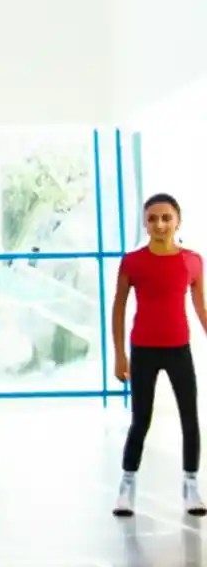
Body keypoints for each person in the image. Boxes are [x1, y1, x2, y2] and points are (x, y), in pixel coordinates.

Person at [112, 193, 207, 517]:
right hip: (144, 350)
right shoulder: (133, 261)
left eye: (166, 218)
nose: (160, 224)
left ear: (177, 220)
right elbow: (119, 306)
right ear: (145, 222)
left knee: (190, 419)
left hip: (179, 348)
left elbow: (200, 306)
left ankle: (191, 486)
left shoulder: (192, 260)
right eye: (152, 218)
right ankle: (126, 487)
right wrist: (119, 355)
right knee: (141, 420)